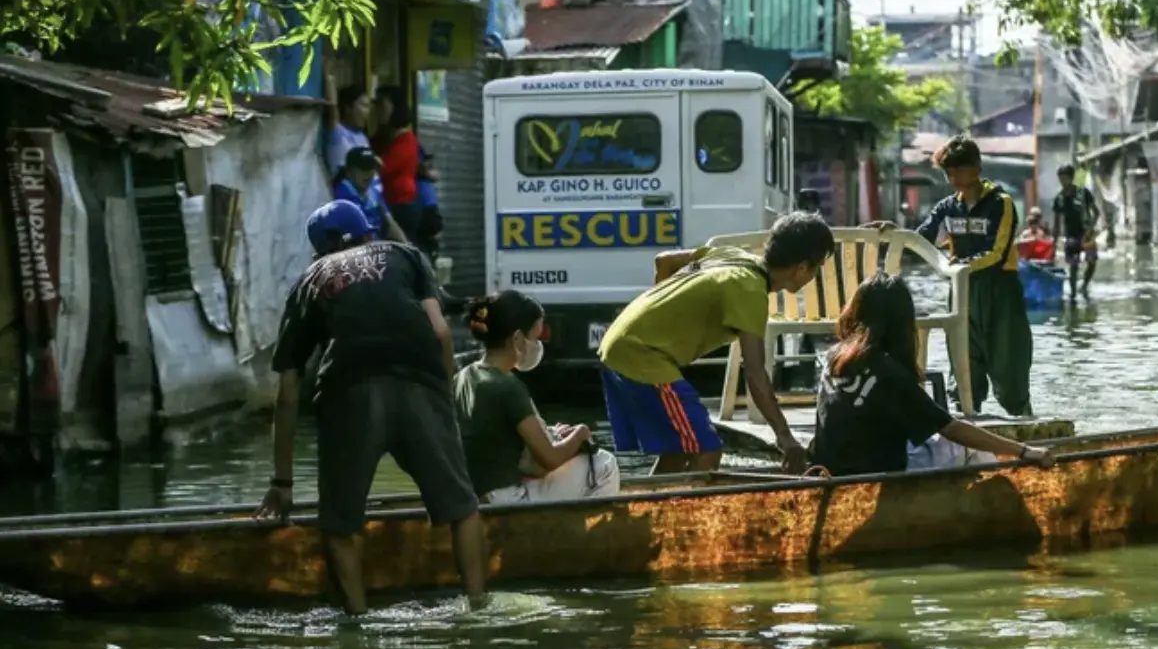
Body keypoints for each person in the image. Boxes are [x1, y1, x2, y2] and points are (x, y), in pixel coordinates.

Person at [257, 199, 486, 615]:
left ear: (318, 251)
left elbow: (288, 391)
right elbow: (438, 332)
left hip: (349, 394)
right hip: (419, 381)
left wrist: (282, 482)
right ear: (369, 232)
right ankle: (477, 604)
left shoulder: (309, 280)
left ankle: (357, 622)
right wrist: (443, 401)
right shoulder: (404, 254)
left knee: (340, 524)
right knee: (462, 507)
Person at [597, 211, 836, 475]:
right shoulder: (750, 291)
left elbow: (663, 260)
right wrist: (785, 436)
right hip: (641, 355)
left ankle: (647, 513)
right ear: (801, 268)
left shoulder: (731, 255)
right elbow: (755, 373)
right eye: (817, 268)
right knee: (707, 448)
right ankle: (683, 516)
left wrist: (665, 310)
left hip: (617, 343)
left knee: (680, 449)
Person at [809, 273, 1051, 478]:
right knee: (969, 449)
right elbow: (952, 429)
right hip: (876, 474)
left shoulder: (834, 357)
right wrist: (1023, 451)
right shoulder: (888, 374)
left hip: (833, 467)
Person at [454, 290, 620, 504]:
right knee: (604, 464)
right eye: (535, 338)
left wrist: (553, 433)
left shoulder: (464, 376)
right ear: (517, 339)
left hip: (475, 493)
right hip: (506, 498)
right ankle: (587, 535)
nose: (539, 345)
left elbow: (497, 436)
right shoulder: (507, 386)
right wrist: (579, 434)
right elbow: (549, 458)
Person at [913, 135, 1034, 417]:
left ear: (977, 167)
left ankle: (1024, 419)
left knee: (1009, 363)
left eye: (959, 169)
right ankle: (968, 418)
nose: (953, 177)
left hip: (1000, 292)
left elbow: (997, 252)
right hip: (962, 291)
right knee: (965, 363)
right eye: (948, 172)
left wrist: (962, 265)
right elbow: (921, 238)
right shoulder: (946, 208)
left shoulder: (1000, 203)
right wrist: (891, 232)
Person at [373, 90, 424, 244]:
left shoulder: (406, 140)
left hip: (402, 205)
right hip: (387, 202)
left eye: (384, 106)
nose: (379, 111)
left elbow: (385, 168)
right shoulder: (383, 137)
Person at [333, 145, 408, 245]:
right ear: (349, 171)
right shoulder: (343, 196)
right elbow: (362, 237)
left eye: (372, 168)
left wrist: (408, 247)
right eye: (363, 168)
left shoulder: (372, 190)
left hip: (379, 245)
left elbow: (389, 221)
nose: (369, 173)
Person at [1051, 164, 1104, 297]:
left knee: (1092, 262)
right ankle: (1073, 294)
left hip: (1088, 235)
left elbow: (1096, 213)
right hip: (1071, 237)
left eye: (1065, 178)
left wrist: (1090, 229)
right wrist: (1054, 243)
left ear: (1072, 178)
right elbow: (1057, 223)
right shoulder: (1059, 199)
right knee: (1073, 266)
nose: (1062, 182)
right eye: (1060, 179)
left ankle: (1084, 286)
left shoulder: (1083, 193)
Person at [326, 85, 372, 176]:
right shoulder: (337, 131)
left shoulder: (363, 137)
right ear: (347, 107)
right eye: (363, 105)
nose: (367, 111)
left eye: (368, 106)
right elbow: (332, 105)